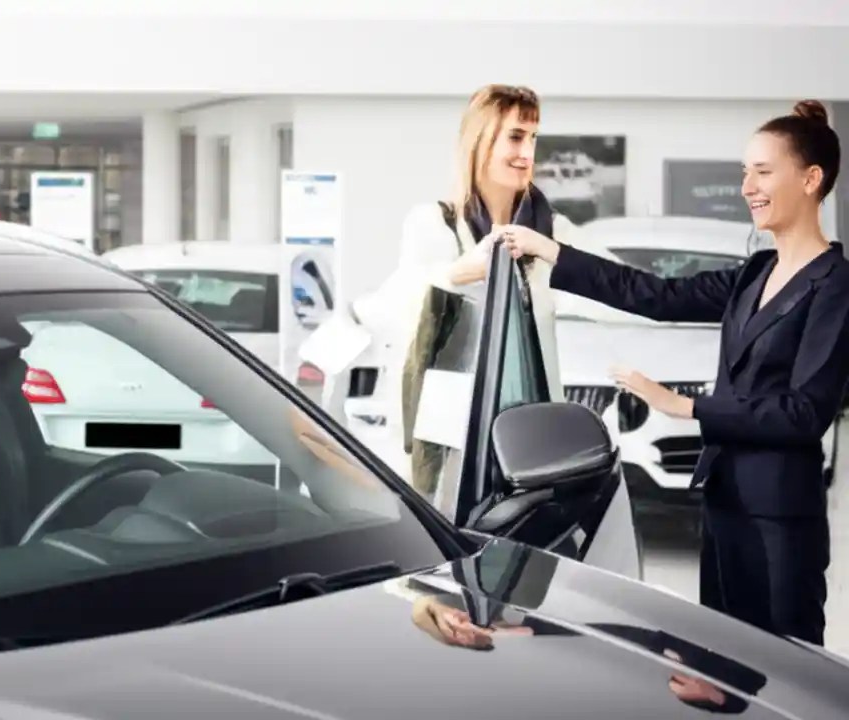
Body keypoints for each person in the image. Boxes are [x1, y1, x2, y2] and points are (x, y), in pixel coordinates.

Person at [502, 100, 849, 646]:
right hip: (724, 500)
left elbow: (805, 413)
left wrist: (684, 406)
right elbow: (656, 295)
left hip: (781, 517)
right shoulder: (755, 273)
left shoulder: (835, 285)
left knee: (787, 669)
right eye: (743, 172)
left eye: (762, 171)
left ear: (811, 179)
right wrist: (551, 252)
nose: (747, 187)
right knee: (719, 660)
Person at [349, 84, 603, 501]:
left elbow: (615, 287)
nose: (527, 153)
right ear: (480, 143)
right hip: (456, 429)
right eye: (515, 137)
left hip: (530, 423)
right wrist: (457, 273)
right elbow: (398, 306)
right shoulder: (436, 223)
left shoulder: (550, 230)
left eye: (533, 139)